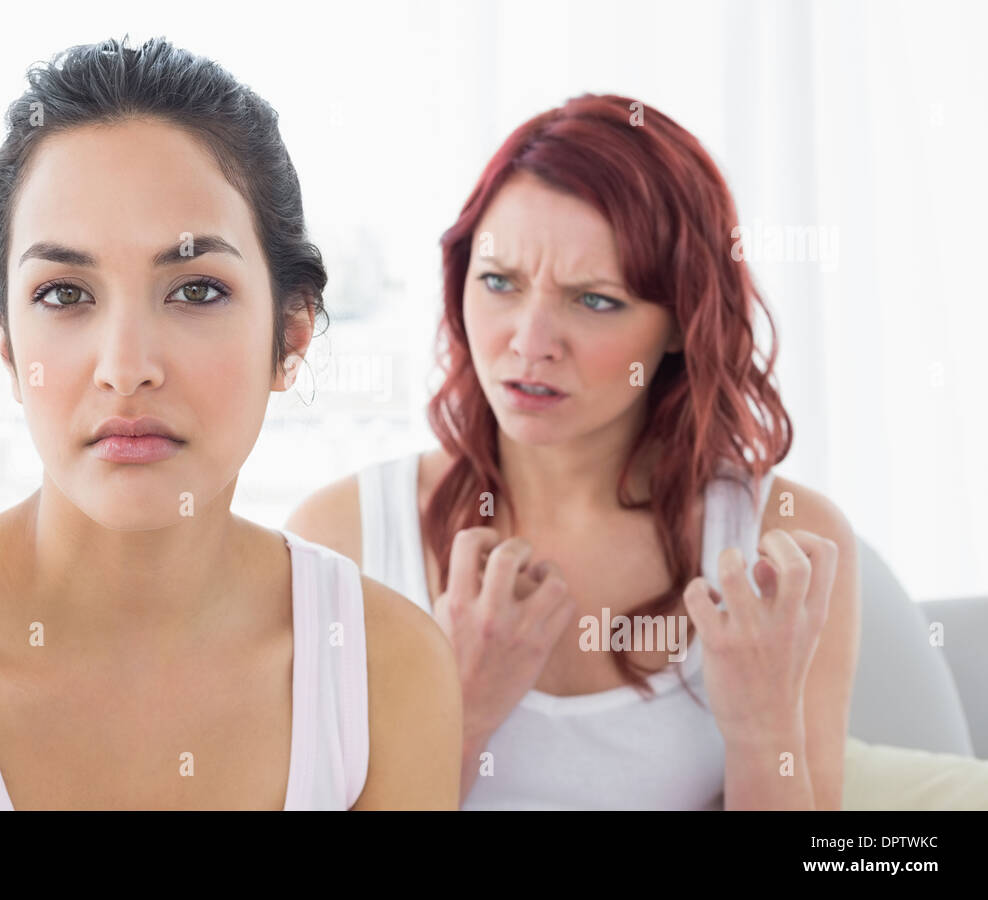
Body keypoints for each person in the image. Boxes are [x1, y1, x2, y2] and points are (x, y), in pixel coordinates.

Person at [0, 36, 461, 810]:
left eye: (195, 290)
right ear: (5, 342)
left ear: (291, 332)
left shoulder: (387, 673)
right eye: (65, 294)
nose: (126, 368)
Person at [286, 94, 860, 810]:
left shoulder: (785, 547)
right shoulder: (339, 540)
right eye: (499, 282)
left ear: (683, 321)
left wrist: (761, 731)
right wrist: (457, 711)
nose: (529, 342)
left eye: (594, 300)